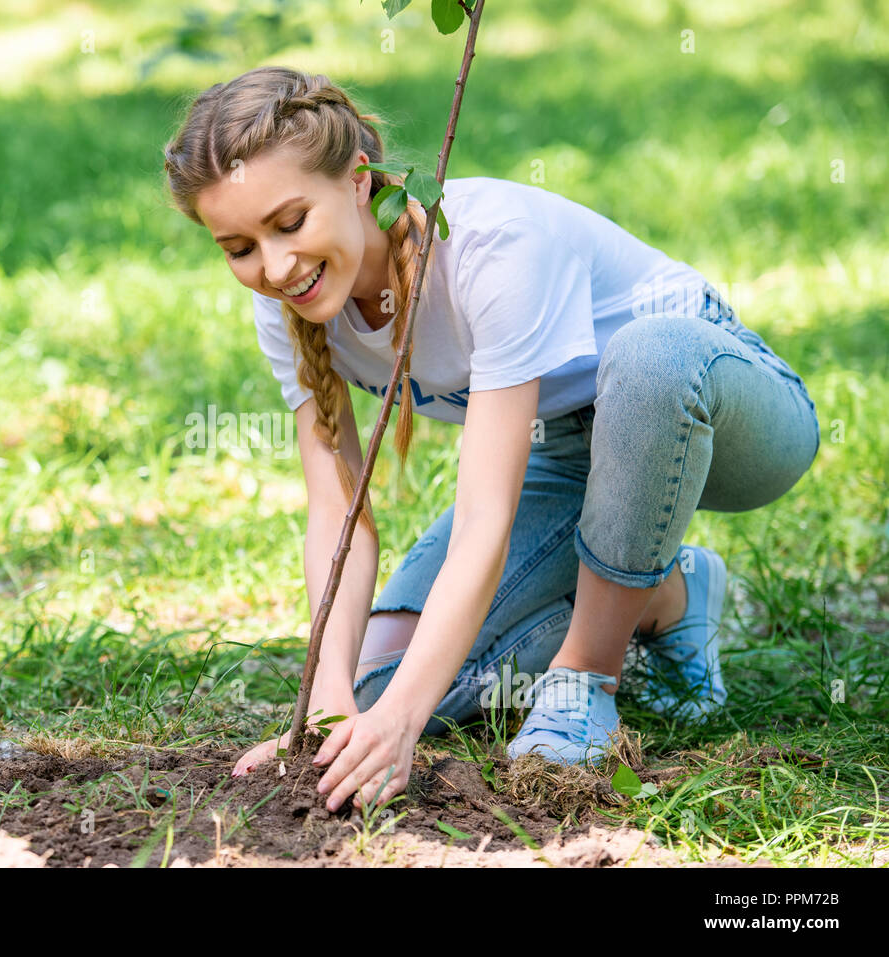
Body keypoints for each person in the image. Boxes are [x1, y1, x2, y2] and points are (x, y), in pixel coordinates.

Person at [161, 66, 820, 814]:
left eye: (289, 222)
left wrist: (406, 724)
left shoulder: (490, 248)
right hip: (570, 454)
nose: (274, 266)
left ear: (356, 181)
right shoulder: (293, 306)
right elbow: (339, 517)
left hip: (724, 410)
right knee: (384, 684)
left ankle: (586, 678)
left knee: (648, 357)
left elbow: (485, 521)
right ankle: (665, 597)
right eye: (238, 246)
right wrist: (332, 705)